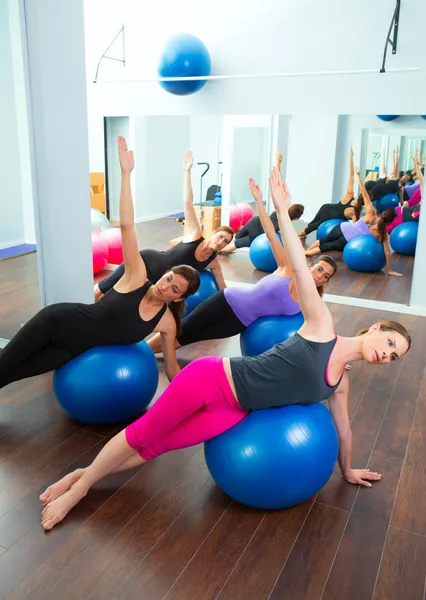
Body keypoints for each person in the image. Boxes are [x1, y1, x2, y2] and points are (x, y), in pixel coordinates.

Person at [39, 166, 411, 531]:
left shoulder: (339, 384)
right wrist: (280, 211)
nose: (387, 353)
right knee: (142, 433)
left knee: (156, 447)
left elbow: (344, 432)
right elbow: (299, 268)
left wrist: (347, 470)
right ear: (377, 328)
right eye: (391, 342)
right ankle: (79, 491)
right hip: (212, 380)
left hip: (232, 412)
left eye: (394, 356)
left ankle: (81, 474)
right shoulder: (322, 328)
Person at [0, 137, 200, 389]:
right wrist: (125, 174)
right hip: (57, 322)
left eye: (174, 289)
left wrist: (190, 396)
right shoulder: (137, 276)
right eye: (169, 278)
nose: (165, 286)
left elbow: (171, 367)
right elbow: (127, 226)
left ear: (179, 299)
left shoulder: (167, 323)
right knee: (4, 365)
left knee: (9, 376)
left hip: (74, 349)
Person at [148, 176, 336, 354]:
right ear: (311, 264)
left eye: (325, 276)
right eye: (320, 269)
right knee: (184, 327)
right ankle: (143, 350)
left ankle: (145, 353)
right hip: (227, 300)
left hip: (239, 322)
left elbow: (322, 330)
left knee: (185, 340)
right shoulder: (287, 269)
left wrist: (332, 356)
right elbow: (270, 233)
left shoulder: (309, 301)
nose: (320, 276)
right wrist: (260, 202)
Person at [94, 150, 233, 301]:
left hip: (160, 283)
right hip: (146, 261)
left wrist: (231, 304)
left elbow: (222, 287)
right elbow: (188, 204)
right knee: (106, 286)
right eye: (220, 237)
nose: (221, 242)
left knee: (117, 298)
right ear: (213, 233)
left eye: (226, 241)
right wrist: (187, 171)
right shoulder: (194, 234)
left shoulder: (213, 262)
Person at [305, 167, 403, 277]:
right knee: (325, 247)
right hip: (347, 239)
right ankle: (305, 253)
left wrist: (358, 177)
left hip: (342, 227)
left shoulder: (371, 213)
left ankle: (305, 252)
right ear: (390, 221)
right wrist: (389, 270)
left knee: (323, 240)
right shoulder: (383, 232)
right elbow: (387, 253)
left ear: (384, 212)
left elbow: (365, 195)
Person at [220, 150, 304, 254]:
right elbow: (287, 238)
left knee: (235, 239)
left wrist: (278, 162)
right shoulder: (284, 220)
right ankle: (216, 253)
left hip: (254, 221)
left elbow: (277, 183)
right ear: (297, 218)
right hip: (257, 232)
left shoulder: (281, 209)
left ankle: (217, 249)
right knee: (235, 245)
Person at [298, 148, 364, 239]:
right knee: (314, 226)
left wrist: (351, 157)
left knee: (312, 223)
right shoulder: (354, 212)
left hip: (326, 207)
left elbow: (351, 176)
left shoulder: (350, 195)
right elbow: (355, 227)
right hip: (329, 215)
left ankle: (301, 233)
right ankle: (299, 234)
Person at [385, 154, 423, 234]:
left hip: (406, 216)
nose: (406, 178)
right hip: (403, 210)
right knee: (388, 216)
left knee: (388, 227)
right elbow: (409, 203)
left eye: (407, 178)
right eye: (405, 177)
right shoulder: (420, 191)